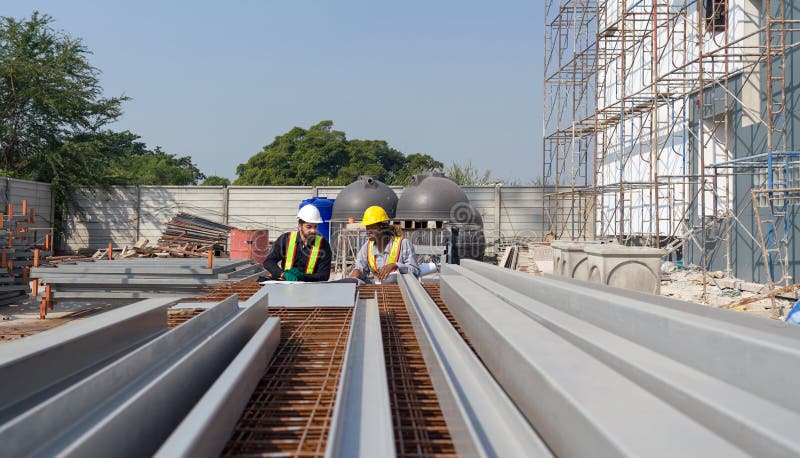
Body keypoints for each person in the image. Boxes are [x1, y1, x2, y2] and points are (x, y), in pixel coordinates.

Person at [350, 205, 419, 283]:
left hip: (400, 288)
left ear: (383, 228)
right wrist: (357, 272)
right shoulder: (367, 247)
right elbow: (360, 267)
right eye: (367, 228)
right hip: (380, 286)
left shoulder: (403, 244)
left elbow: (415, 271)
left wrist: (395, 265)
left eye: (373, 228)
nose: (368, 231)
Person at [263, 204, 332, 282]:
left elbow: (324, 275)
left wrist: (302, 276)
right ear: (300, 226)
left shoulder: (323, 245)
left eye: (315, 226)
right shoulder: (285, 239)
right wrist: (283, 274)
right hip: (286, 284)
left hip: (311, 287)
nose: (313, 230)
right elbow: (268, 262)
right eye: (309, 227)